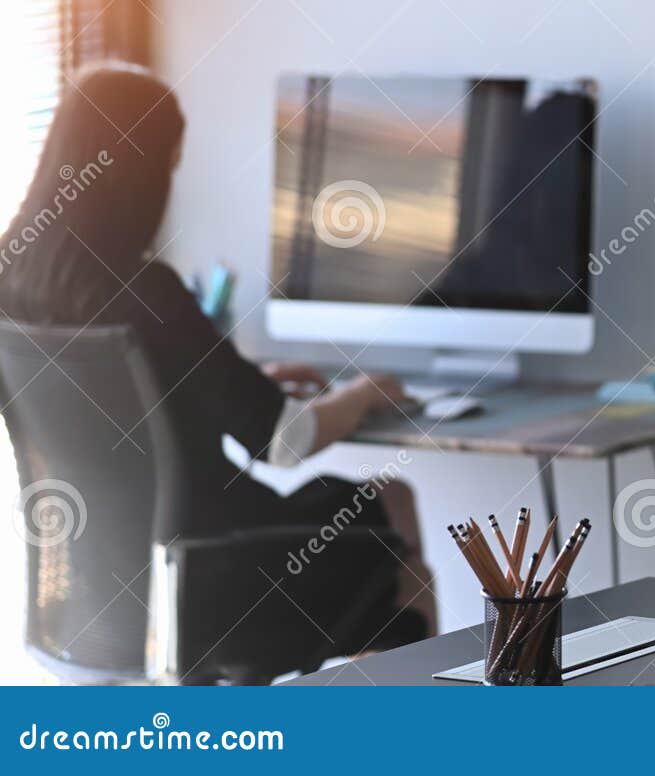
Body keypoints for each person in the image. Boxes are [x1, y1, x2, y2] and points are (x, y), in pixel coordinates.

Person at [0, 63, 435, 650]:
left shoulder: (13, 279)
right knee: (394, 509)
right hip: (216, 577)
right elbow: (285, 442)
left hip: (94, 592)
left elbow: (117, 407)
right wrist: (365, 394)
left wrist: (224, 382)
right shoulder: (146, 292)